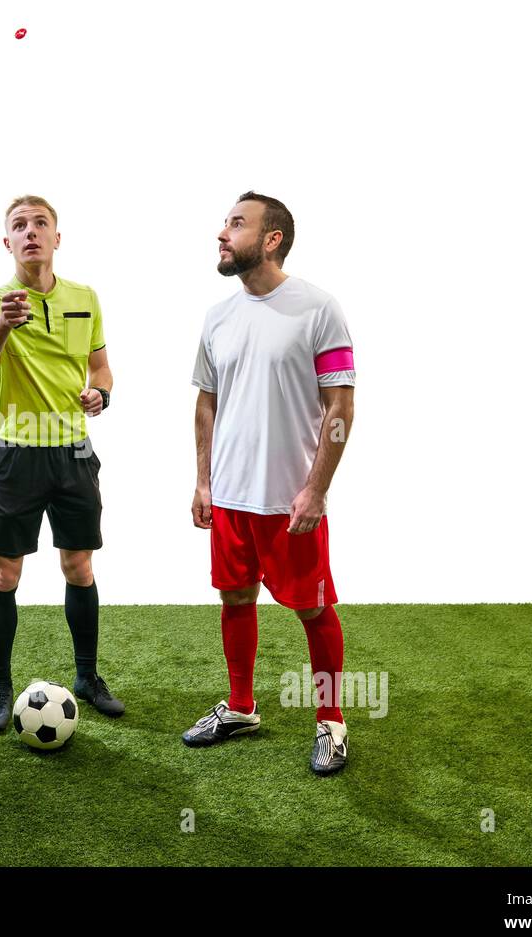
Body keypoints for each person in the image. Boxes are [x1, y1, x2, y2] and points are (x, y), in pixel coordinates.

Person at [186, 192, 356, 775]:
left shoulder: (318, 308)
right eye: (225, 223)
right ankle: (240, 707)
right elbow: (206, 404)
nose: (223, 233)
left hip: (290, 501)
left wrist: (314, 489)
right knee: (234, 598)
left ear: (271, 238)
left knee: (313, 607)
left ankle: (331, 722)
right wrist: (203, 481)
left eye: (237, 224)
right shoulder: (218, 317)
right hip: (230, 497)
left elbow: (341, 406)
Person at [0, 194, 124, 732]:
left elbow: (101, 370)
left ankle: (86, 676)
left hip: (74, 451)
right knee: (5, 574)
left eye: (40, 224)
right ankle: (0, 687)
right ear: (6, 242)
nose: (30, 232)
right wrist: (5, 324)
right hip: (17, 453)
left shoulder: (86, 298)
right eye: (18, 226)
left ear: (57, 237)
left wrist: (101, 396)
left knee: (79, 566)